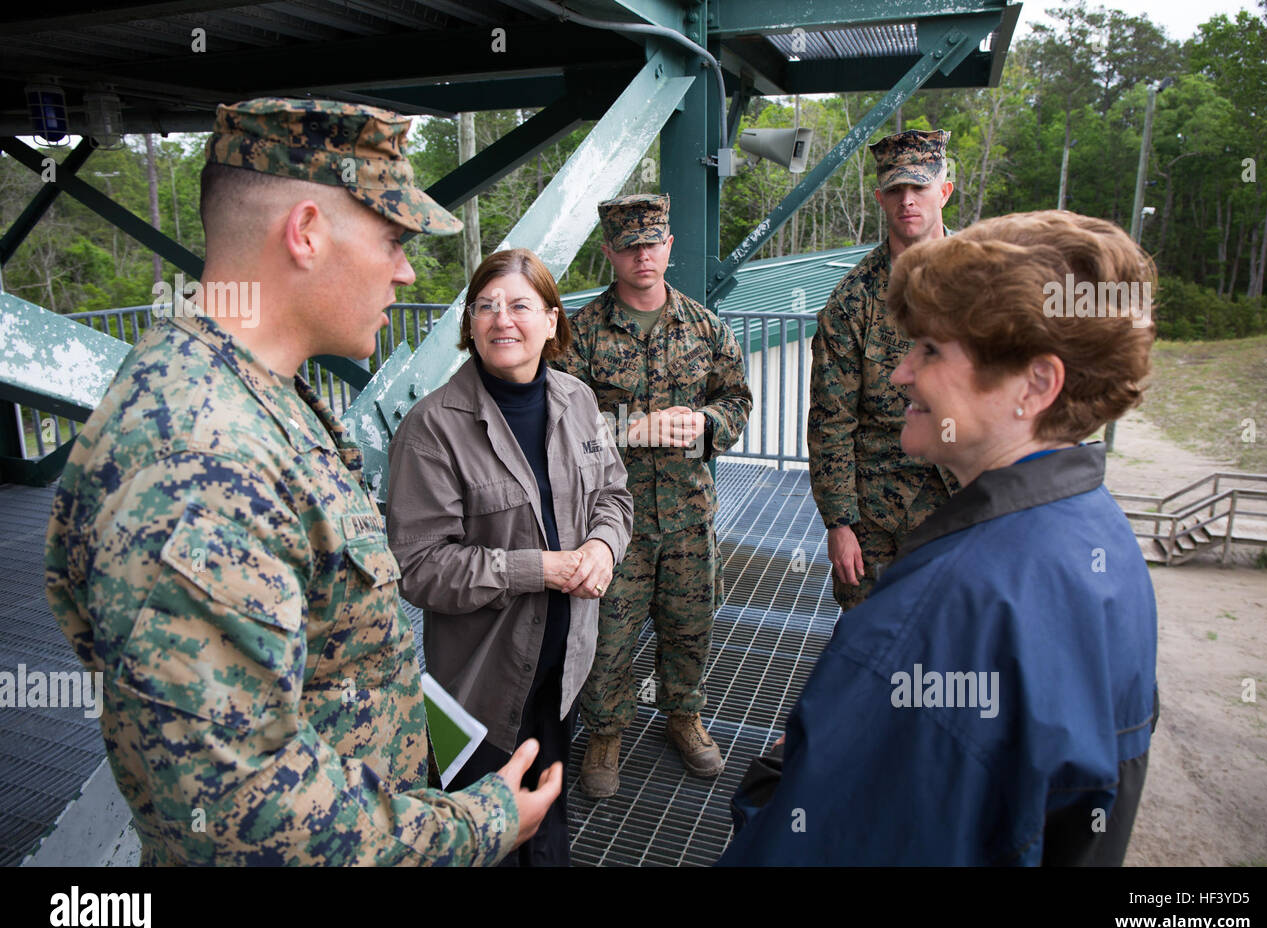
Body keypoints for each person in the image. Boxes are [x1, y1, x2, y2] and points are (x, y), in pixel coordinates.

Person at [44, 97, 560, 866]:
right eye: (392, 239)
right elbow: (242, 814)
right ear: (307, 232)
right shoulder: (201, 461)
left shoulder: (242, 392)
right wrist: (480, 824)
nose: (407, 270)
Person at [721, 210, 1160, 865]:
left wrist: (775, 778)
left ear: (1036, 384)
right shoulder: (1104, 540)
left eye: (930, 350)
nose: (901, 373)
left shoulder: (942, 609)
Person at [386, 248, 633, 865]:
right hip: (481, 687)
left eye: (520, 305)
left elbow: (613, 492)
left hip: (563, 667)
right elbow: (418, 568)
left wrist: (603, 544)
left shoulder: (577, 399)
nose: (503, 320)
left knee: (547, 820)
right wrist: (539, 567)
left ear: (552, 321)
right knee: (480, 840)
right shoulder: (433, 427)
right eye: (486, 307)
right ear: (470, 325)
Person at [552, 193, 752, 798]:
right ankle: (606, 731)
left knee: (688, 626)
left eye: (653, 243)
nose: (643, 255)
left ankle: (684, 715)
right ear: (611, 252)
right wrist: (626, 430)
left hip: (690, 513)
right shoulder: (580, 335)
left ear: (669, 247)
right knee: (608, 634)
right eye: (629, 246)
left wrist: (708, 425)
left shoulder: (704, 326)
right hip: (612, 524)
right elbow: (557, 425)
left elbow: (737, 399)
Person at [808, 129, 961, 611]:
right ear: (880, 198)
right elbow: (831, 420)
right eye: (896, 190)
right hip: (877, 516)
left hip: (964, 502)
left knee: (952, 643)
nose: (907, 201)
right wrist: (839, 524)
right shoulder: (852, 302)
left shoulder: (984, 283)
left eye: (919, 187)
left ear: (945, 191)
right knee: (866, 644)